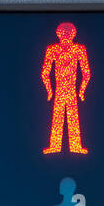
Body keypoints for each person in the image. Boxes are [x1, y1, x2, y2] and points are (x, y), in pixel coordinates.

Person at [40, 21, 90, 155]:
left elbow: (45, 74)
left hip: (64, 89)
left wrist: (49, 90)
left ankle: (63, 146)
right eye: (65, 33)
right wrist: (81, 90)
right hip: (66, 89)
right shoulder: (74, 49)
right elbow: (87, 74)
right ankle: (68, 146)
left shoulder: (56, 49)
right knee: (67, 116)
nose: (66, 36)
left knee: (62, 116)